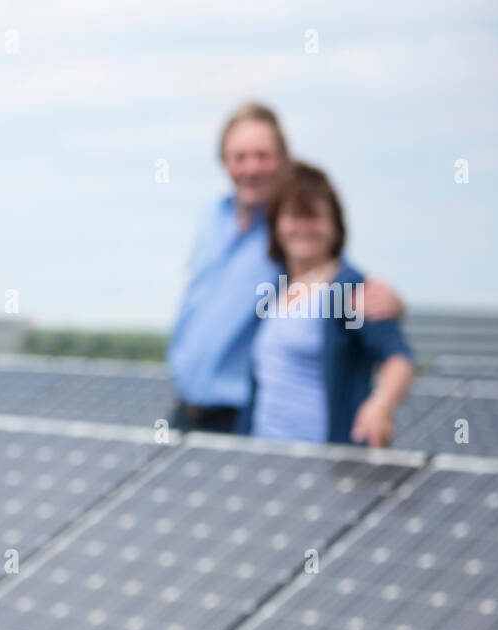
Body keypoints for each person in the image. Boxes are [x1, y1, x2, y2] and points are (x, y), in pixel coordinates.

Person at [166, 103, 405, 433]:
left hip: (236, 414)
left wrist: (388, 303)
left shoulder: (291, 229)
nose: (251, 167)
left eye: (262, 156)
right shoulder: (212, 216)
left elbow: (333, 281)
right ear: (224, 161)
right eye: (240, 156)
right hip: (186, 406)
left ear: (283, 160)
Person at [246, 162, 414, 445]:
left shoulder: (350, 289)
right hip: (265, 457)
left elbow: (399, 359)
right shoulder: (275, 290)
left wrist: (382, 405)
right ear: (275, 225)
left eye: (314, 217)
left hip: (324, 466)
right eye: (293, 216)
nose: (303, 227)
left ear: (336, 227)